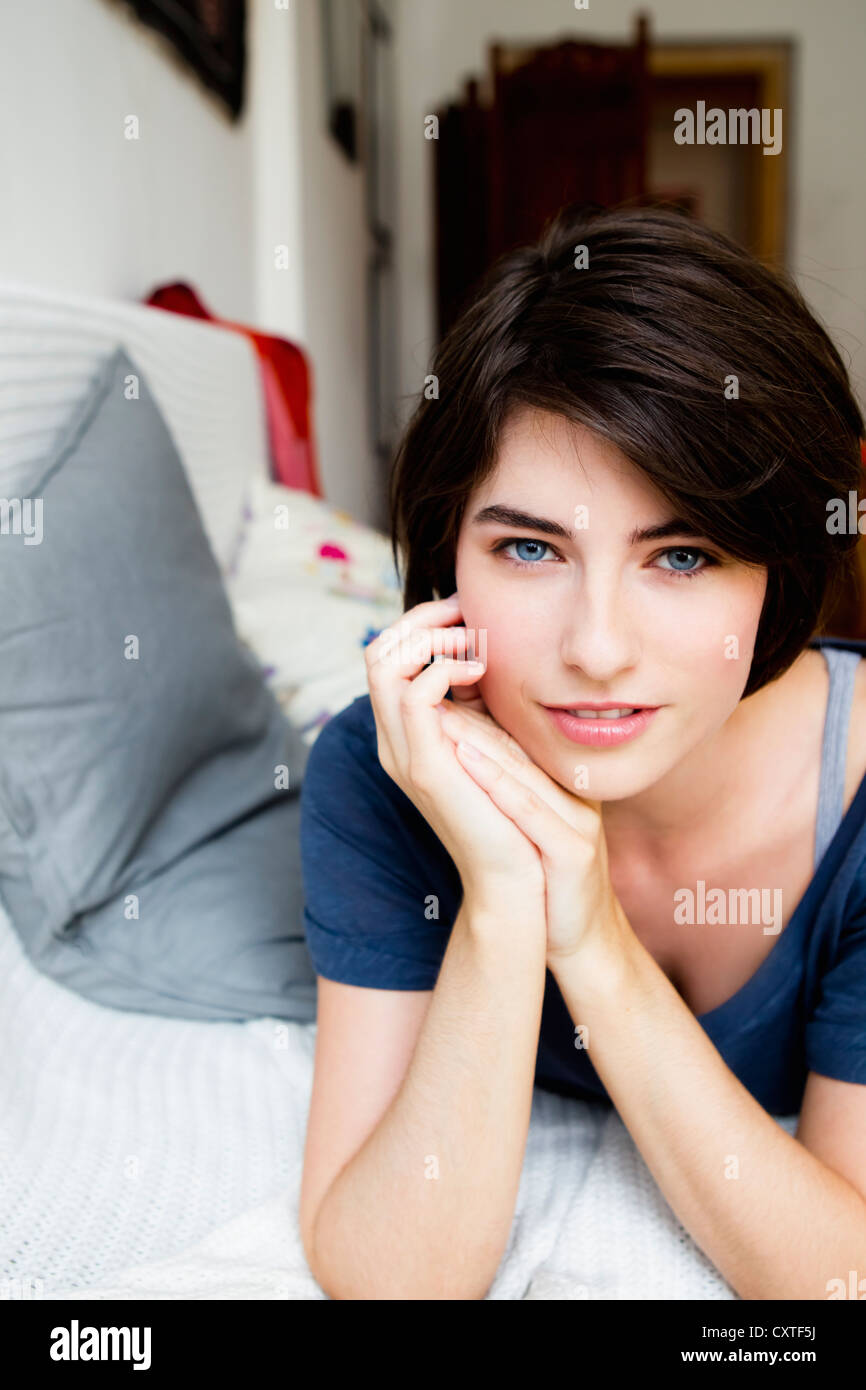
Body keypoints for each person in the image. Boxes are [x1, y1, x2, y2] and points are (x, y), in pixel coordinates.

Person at [297, 202, 866, 1300]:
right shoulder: (378, 773)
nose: (596, 649)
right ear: (443, 560)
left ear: (777, 572)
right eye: (527, 546)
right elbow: (391, 1281)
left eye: (683, 557)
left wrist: (592, 937)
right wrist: (504, 897)